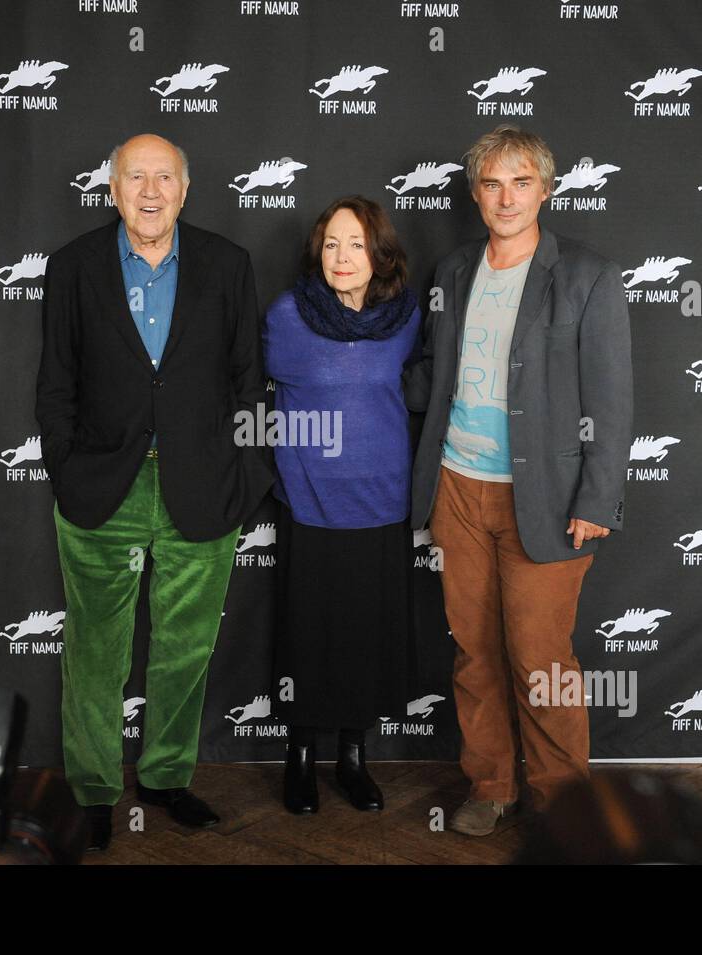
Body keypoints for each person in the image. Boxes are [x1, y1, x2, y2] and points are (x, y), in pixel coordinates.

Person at [35, 133, 273, 851]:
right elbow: (56, 383)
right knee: (95, 649)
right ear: (112, 189)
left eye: (162, 177)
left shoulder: (227, 265)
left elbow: (248, 381)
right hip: (101, 487)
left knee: (185, 646)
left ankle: (168, 776)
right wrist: (67, 468)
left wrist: (247, 475)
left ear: (184, 189)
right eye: (134, 176)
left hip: (202, 489)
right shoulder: (73, 266)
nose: (149, 190)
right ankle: (93, 790)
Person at [404, 125, 633, 835]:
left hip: (549, 498)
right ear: (475, 194)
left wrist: (598, 496)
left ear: (546, 188)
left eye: (521, 182)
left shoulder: (587, 275)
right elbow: (428, 375)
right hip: (458, 489)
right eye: (493, 183)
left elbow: (613, 396)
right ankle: (491, 782)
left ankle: (565, 801)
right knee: (475, 651)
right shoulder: (452, 271)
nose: (506, 197)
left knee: (541, 660)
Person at [264, 196, 420, 814]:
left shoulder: (405, 319)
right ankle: (299, 756)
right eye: (331, 243)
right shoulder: (287, 316)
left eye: (356, 243)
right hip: (311, 503)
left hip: (382, 500)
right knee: (311, 638)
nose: (342, 256)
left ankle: (352, 758)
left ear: (379, 253)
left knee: (365, 637)